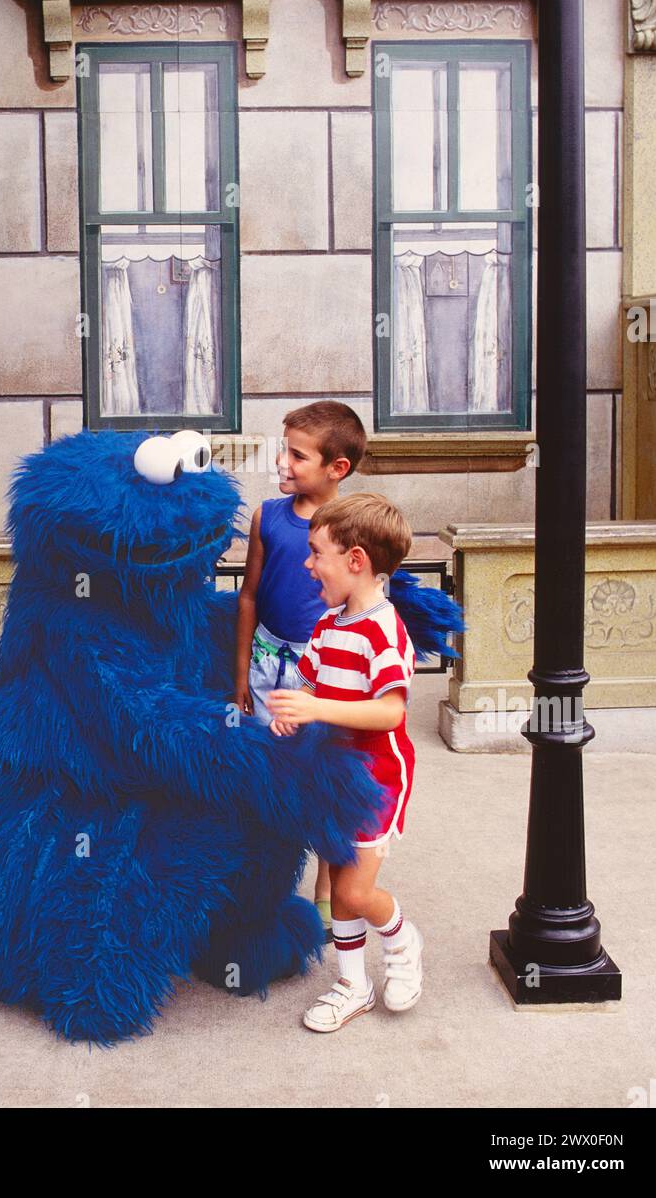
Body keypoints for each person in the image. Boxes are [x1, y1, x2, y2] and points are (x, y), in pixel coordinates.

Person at [266, 492, 423, 1031]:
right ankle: (352, 984)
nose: (308, 565)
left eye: (316, 554)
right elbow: (309, 682)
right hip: (332, 774)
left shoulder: (382, 629)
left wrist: (314, 706)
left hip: (377, 777)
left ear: (355, 561)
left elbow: (390, 712)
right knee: (337, 884)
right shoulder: (329, 624)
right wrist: (292, 712)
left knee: (354, 891)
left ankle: (402, 944)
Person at [234, 401, 367, 939]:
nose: (283, 463)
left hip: (324, 673)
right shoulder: (268, 515)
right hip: (268, 661)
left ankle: (325, 889)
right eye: (282, 450)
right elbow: (247, 596)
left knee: (327, 777)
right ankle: (265, 882)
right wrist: (240, 675)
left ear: (337, 468)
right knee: (268, 772)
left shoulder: (354, 524)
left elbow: (364, 603)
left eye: (297, 455)